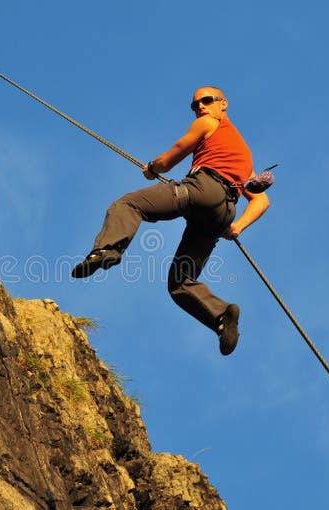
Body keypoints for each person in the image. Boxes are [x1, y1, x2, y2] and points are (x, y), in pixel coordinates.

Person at [71, 86, 270, 355]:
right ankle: (222, 316)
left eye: (206, 101)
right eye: (195, 105)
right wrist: (237, 226)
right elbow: (261, 200)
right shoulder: (242, 158)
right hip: (223, 211)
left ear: (223, 104)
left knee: (128, 204)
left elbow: (171, 157)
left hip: (203, 188)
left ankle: (107, 250)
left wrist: (153, 168)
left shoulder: (209, 123)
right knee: (179, 282)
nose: (200, 107)